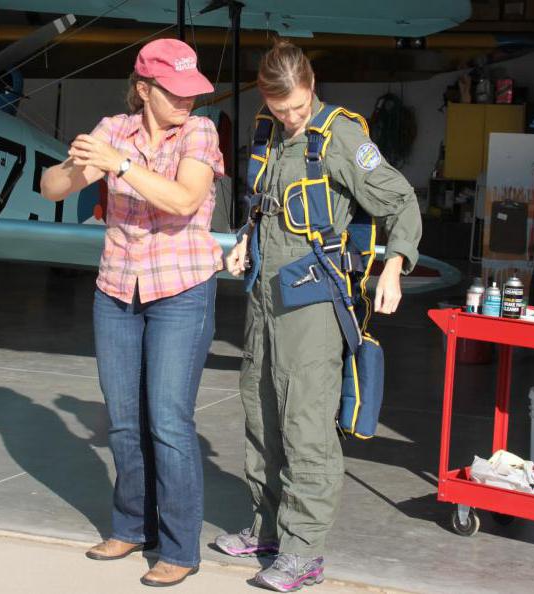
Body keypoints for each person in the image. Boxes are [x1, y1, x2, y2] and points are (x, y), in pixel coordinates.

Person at [215, 41, 421, 592]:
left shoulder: (342, 138)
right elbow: (266, 206)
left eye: (298, 110)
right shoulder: (267, 132)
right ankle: (265, 528)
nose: (290, 119)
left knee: (306, 423)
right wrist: (243, 242)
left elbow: (402, 201)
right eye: (281, 110)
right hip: (265, 293)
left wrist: (395, 266)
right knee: (259, 411)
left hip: (314, 296)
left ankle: (304, 552)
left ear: (312, 88)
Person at [41, 38, 224, 587]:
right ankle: (130, 525)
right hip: (117, 289)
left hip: (181, 290)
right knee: (123, 420)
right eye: (175, 91)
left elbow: (184, 199)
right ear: (144, 89)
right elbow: (51, 188)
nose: (188, 100)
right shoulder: (110, 128)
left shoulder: (199, 131)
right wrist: (81, 169)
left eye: (193, 90)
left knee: (167, 420)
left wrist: (118, 163)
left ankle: (179, 546)